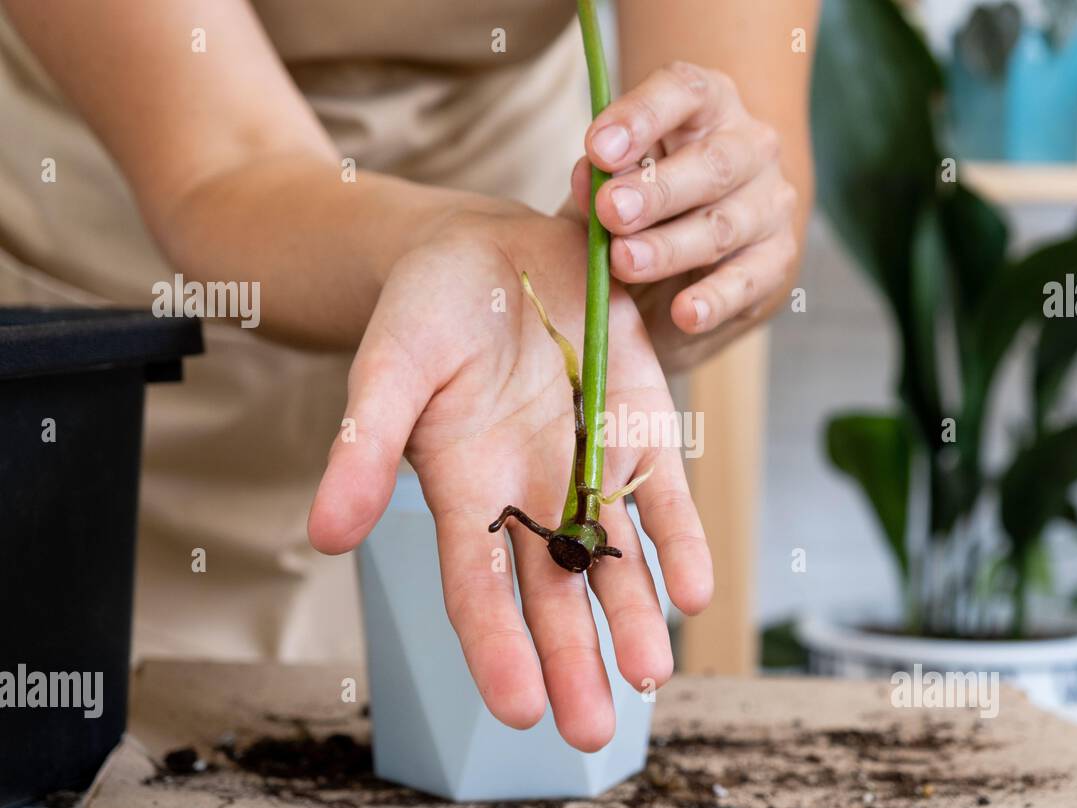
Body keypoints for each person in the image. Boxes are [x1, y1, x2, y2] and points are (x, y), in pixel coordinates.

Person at [0, 0, 816, 751]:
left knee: (484, 745)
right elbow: (223, 164)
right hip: (144, 269)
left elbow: (744, 134)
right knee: (125, 756)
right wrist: (448, 243)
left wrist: (693, 238)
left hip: (509, 350)